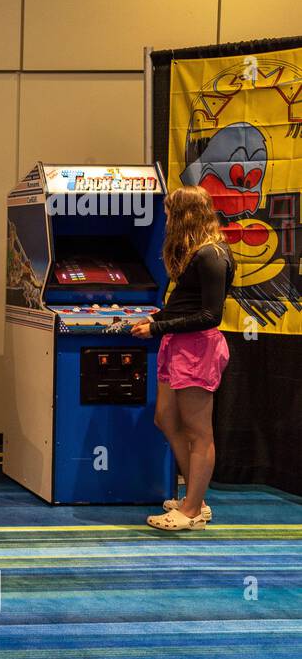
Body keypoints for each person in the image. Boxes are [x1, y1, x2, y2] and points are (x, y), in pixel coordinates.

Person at [130, 185, 234, 531]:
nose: (166, 218)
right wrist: (156, 321)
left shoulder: (212, 255)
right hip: (177, 343)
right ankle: (195, 497)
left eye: (171, 212)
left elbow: (210, 316)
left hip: (197, 347)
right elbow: (183, 304)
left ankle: (191, 510)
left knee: (198, 430)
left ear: (186, 215)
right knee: (165, 418)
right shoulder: (195, 254)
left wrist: (159, 328)